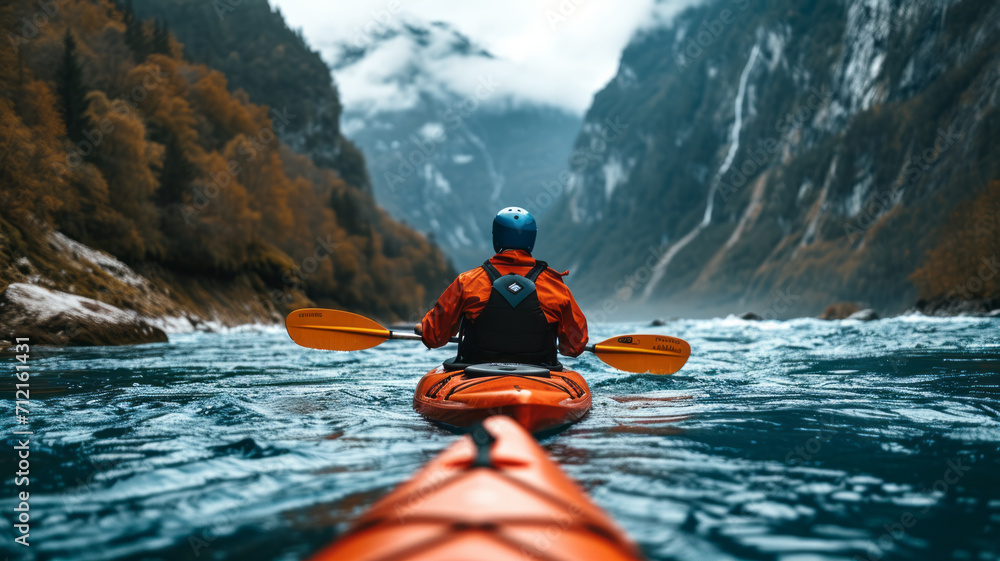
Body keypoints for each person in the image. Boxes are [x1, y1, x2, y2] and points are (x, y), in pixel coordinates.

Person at [417, 207, 588, 370]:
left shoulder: (467, 282)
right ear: (531, 240)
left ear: (496, 237)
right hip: (540, 375)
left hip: (475, 373)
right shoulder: (555, 286)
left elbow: (434, 337)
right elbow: (575, 346)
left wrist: (422, 328)